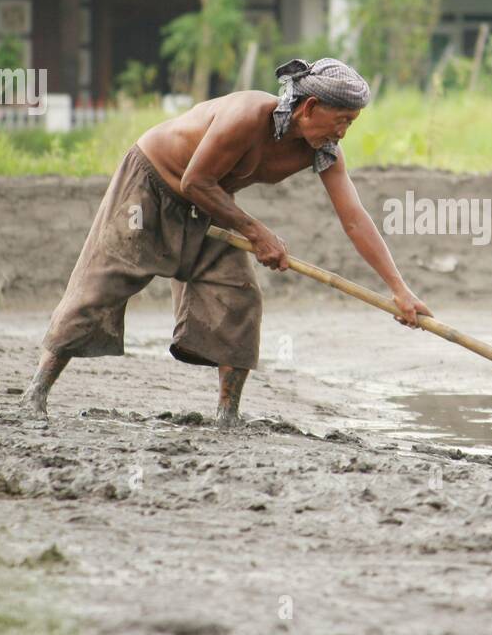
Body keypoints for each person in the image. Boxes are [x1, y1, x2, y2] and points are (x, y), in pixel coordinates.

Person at [22, 58, 431, 425]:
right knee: (102, 285)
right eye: (341, 120)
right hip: (151, 184)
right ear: (308, 109)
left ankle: (227, 414)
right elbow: (194, 180)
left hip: (210, 204)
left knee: (240, 294)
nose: (343, 132)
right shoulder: (248, 116)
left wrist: (400, 291)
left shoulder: (322, 150)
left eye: (351, 124)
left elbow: (355, 220)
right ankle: (36, 392)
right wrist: (258, 232)